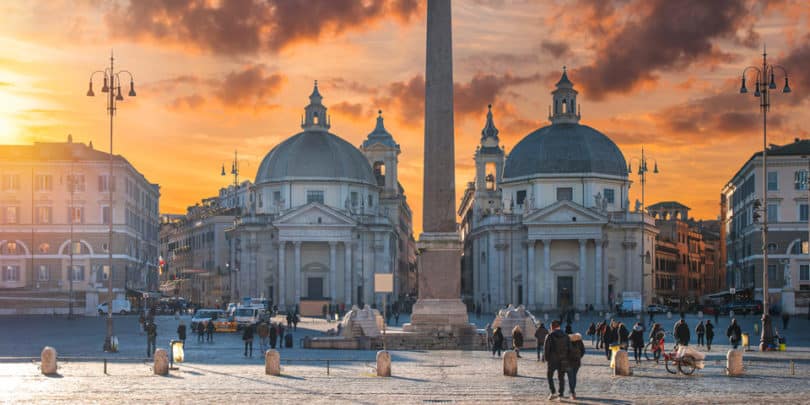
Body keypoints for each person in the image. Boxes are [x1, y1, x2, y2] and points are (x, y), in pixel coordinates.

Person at [544, 320, 570, 400]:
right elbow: (569, 348)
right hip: (563, 359)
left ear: (552, 327)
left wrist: (547, 358)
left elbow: (546, 348)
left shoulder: (550, 335)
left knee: (549, 376)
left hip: (552, 359)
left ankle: (553, 392)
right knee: (561, 377)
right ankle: (561, 393)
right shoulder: (566, 336)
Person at [567, 332, 585, 401]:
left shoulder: (567, 341)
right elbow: (583, 351)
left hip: (569, 362)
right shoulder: (579, 341)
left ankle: (572, 392)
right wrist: (579, 357)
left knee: (570, 377)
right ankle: (572, 390)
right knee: (574, 376)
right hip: (577, 362)